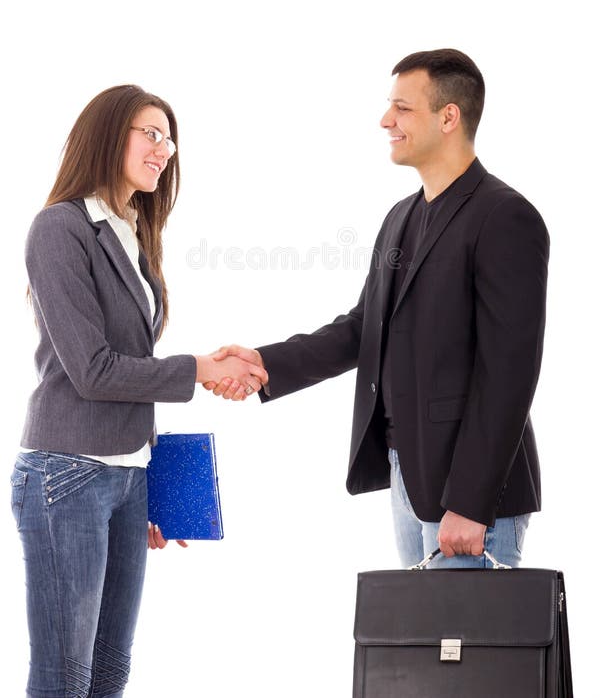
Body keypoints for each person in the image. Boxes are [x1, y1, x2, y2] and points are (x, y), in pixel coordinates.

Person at [208, 49, 550, 569]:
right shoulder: (401, 217)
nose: (385, 120)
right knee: (423, 648)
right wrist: (263, 362)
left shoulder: (505, 217)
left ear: (449, 116)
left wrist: (471, 501)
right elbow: (363, 328)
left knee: (472, 647)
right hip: (408, 478)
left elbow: (509, 374)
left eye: (402, 108)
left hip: (470, 494)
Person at [10, 84, 268, 698]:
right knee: (63, 678)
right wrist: (200, 369)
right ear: (106, 136)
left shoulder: (132, 232)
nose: (164, 149)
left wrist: (146, 475)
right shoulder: (60, 228)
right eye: (149, 133)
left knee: (108, 674)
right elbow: (94, 370)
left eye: (168, 138)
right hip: (65, 475)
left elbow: (133, 361)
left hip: (126, 476)